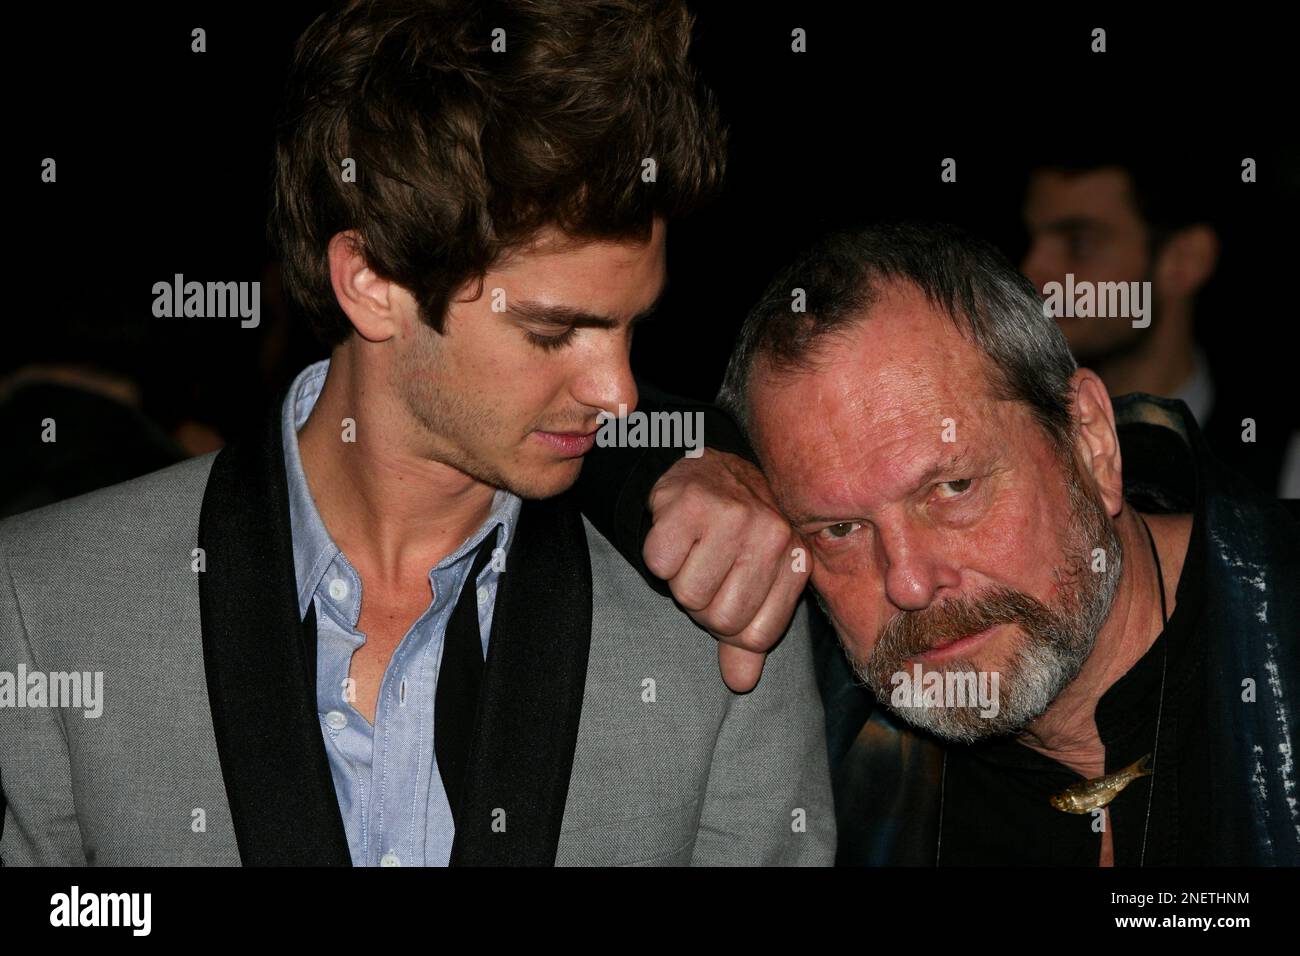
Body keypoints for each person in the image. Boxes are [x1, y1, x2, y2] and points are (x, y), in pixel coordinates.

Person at [0, 0, 831, 866]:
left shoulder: (721, 611)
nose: (619, 394)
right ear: (370, 284)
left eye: (632, 327)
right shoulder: (46, 604)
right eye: (551, 332)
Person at [716, 220, 1300, 865]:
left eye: (953, 487)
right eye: (840, 530)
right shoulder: (805, 740)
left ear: (1091, 443)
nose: (907, 582)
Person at [1019, 154, 1290, 496]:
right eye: (1031, 239)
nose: (1033, 271)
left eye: (1080, 243)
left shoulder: (1282, 463)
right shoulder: (1022, 439)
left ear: (1184, 261)